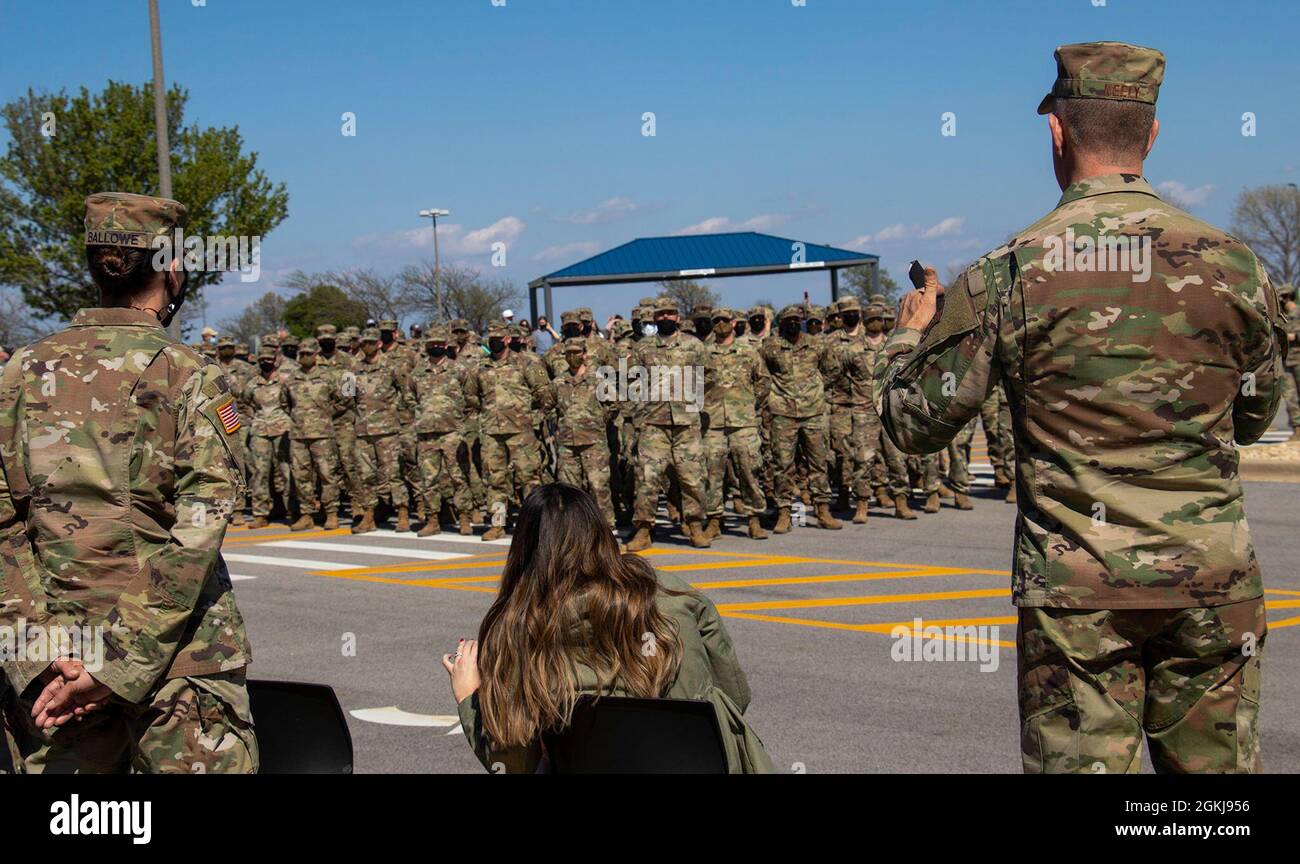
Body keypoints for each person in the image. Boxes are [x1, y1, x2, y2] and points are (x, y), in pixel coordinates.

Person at [877, 42, 1284, 773]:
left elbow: (914, 424)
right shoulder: (1237, 265)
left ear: (1056, 135)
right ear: (1152, 136)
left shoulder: (1010, 271)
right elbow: (1254, 416)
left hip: (1079, 601)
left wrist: (907, 336)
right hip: (1212, 584)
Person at [0, 191, 256, 773]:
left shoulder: (15, 374)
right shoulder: (188, 375)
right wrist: (118, 663)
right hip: (178, 672)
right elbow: (198, 531)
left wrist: (38, 654)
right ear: (170, 266)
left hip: (53, 679)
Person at [443, 483, 773, 773]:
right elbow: (735, 696)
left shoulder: (516, 632)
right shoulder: (676, 597)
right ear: (601, 534)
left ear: (525, 551)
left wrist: (469, 697)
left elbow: (512, 763)